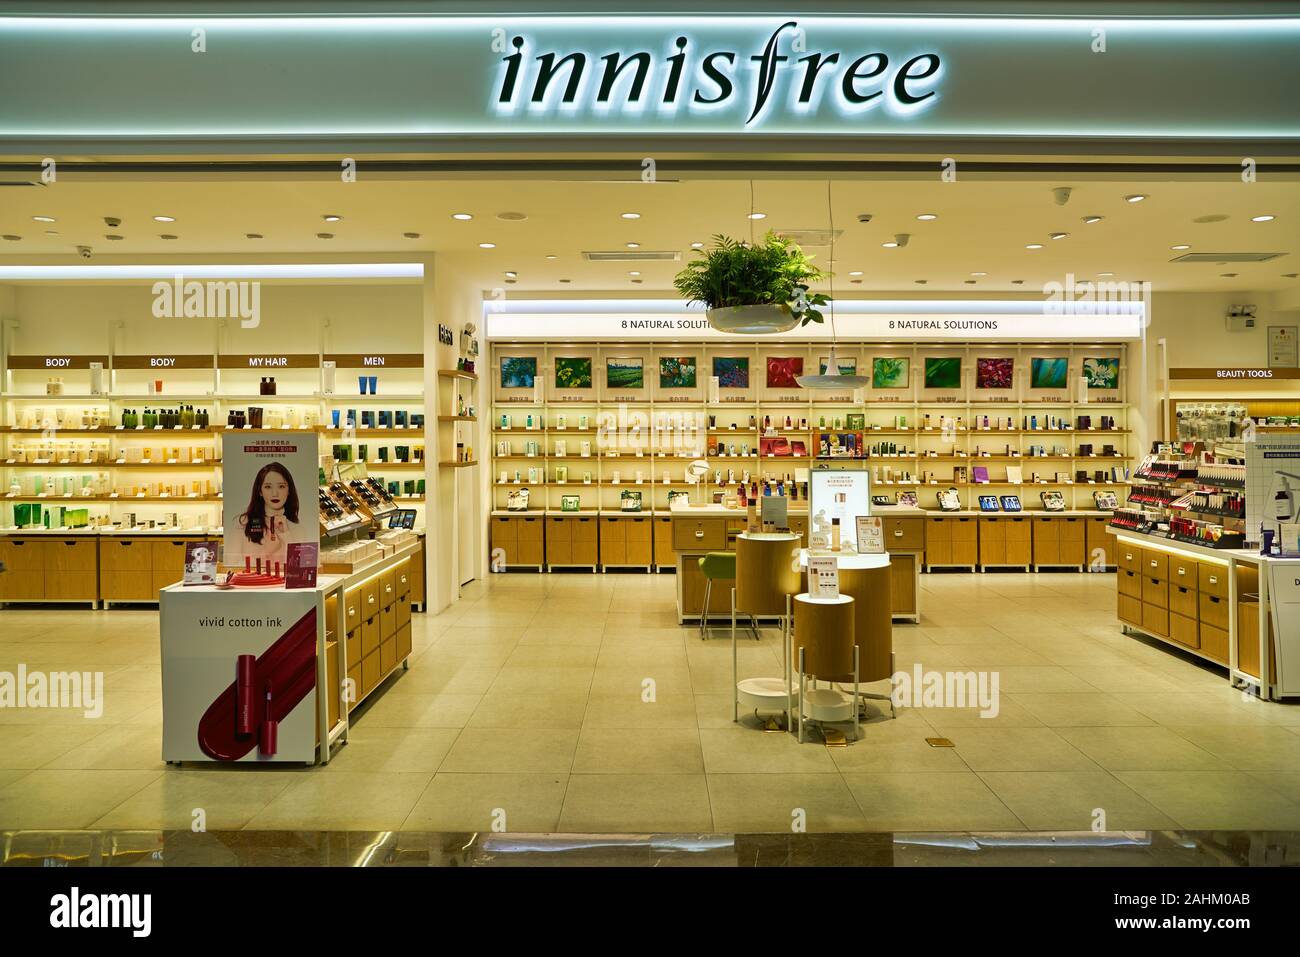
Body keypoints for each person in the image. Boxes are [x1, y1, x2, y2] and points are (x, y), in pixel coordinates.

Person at [235, 462, 300, 568]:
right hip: (255, 583)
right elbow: (234, 566)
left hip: (287, 582)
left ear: (289, 490)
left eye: (281, 486)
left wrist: (287, 535)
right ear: (260, 491)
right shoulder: (242, 523)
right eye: (268, 487)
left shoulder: (297, 527)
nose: (275, 493)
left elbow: (301, 566)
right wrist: (266, 551)